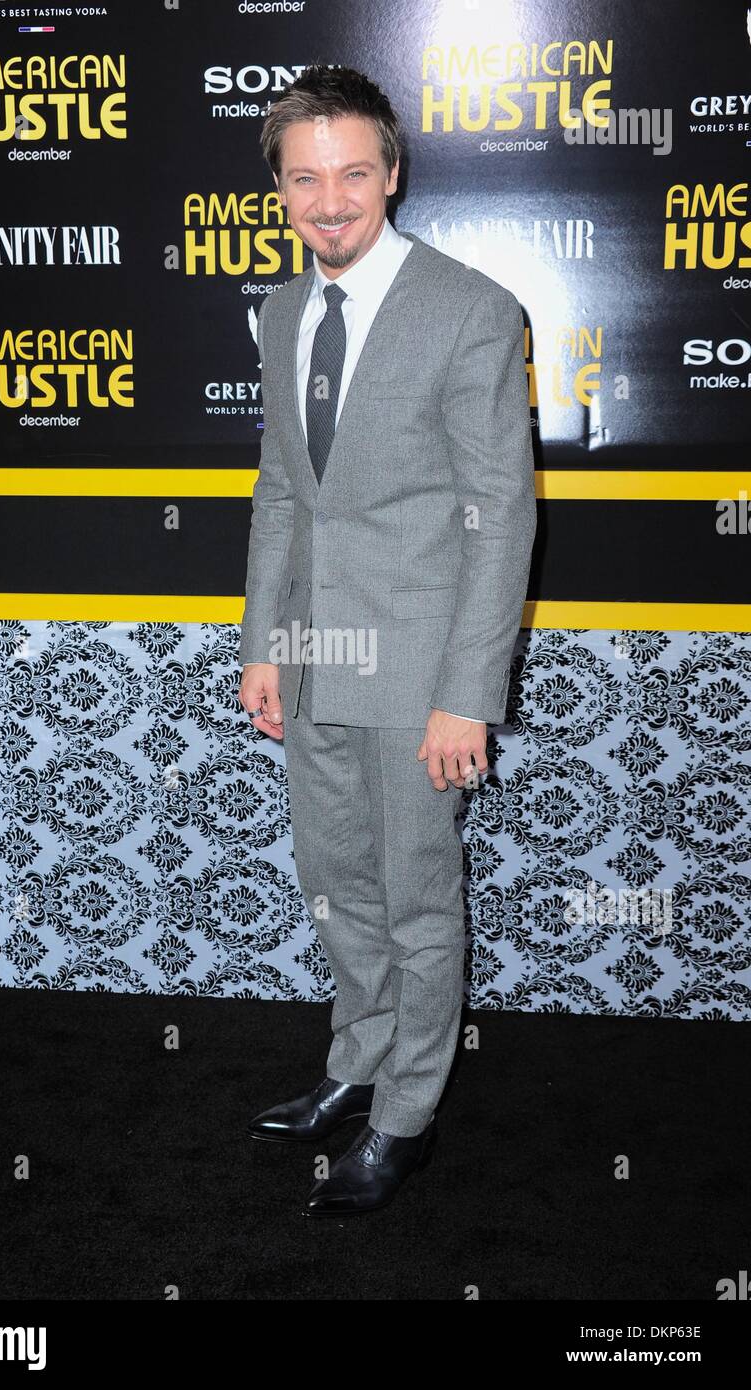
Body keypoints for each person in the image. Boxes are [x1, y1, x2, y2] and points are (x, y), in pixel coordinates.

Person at [237, 64, 537, 1216]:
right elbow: (280, 490)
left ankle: (407, 1113)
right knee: (336, 880)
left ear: (391, 174)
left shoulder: (470, 309)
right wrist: (265, 641)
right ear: (277, 189)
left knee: (414, 895)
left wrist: (470, 693)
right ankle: (356, 1060)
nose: (330, 200)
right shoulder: (280, 309)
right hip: (312, 657)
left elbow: (502, 512)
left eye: (352, 173)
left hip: (421, 668)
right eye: (305, 178)